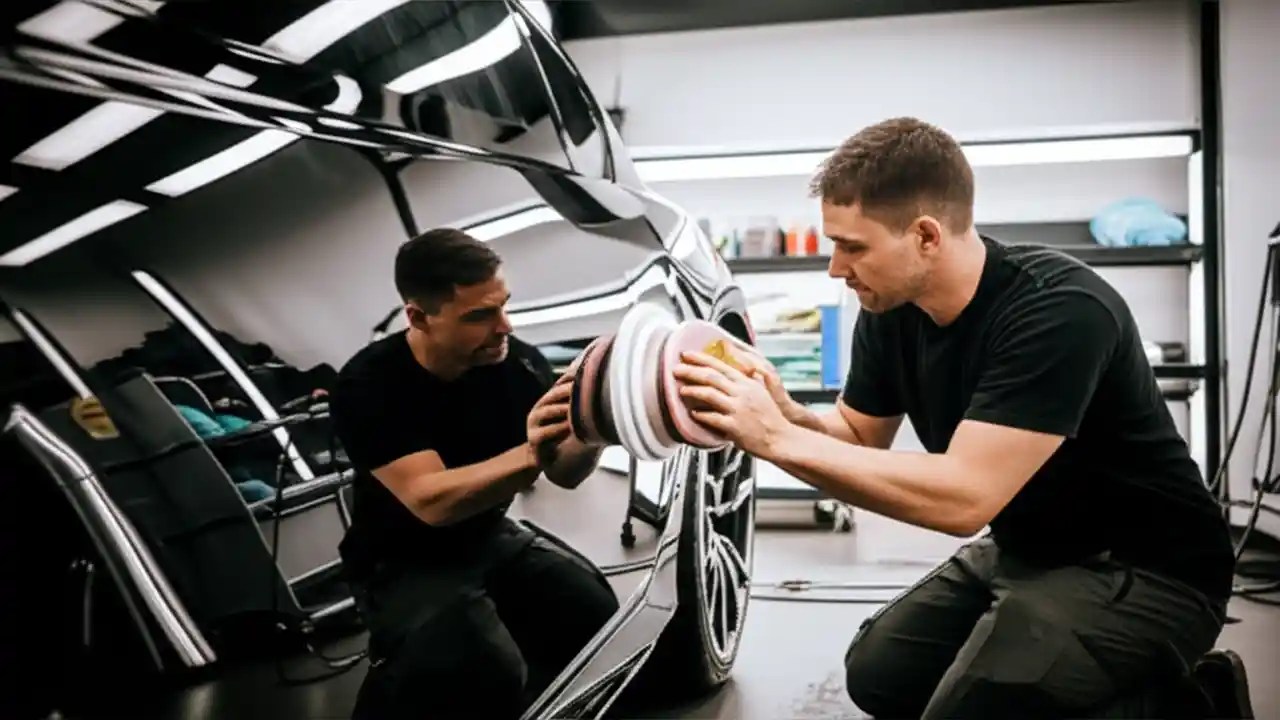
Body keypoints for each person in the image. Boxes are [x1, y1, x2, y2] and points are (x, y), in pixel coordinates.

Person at [672, 117, 1253, 719]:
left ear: (925, 235)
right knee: (878, 674)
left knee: (970, 712)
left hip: (1151, 571)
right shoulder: (892, 308)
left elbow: (962, 502)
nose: (836, 270)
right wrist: (787, 415)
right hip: (1027, 550)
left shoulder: (1060, 310)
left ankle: (1192, 706)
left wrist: (773, 440)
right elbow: (856, 436)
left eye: (853, 246)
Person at [330, 228, 618, 719]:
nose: (503, 326)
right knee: (477, 669)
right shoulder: (369, 384)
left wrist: (595, 428)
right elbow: (432, 502)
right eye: (479, 316)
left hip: (488, 533)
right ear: (419, 317)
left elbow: (565, 474)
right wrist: (535, 451)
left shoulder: (516, 363)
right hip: (401, 558)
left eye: (504, 305)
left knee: (591, 613)